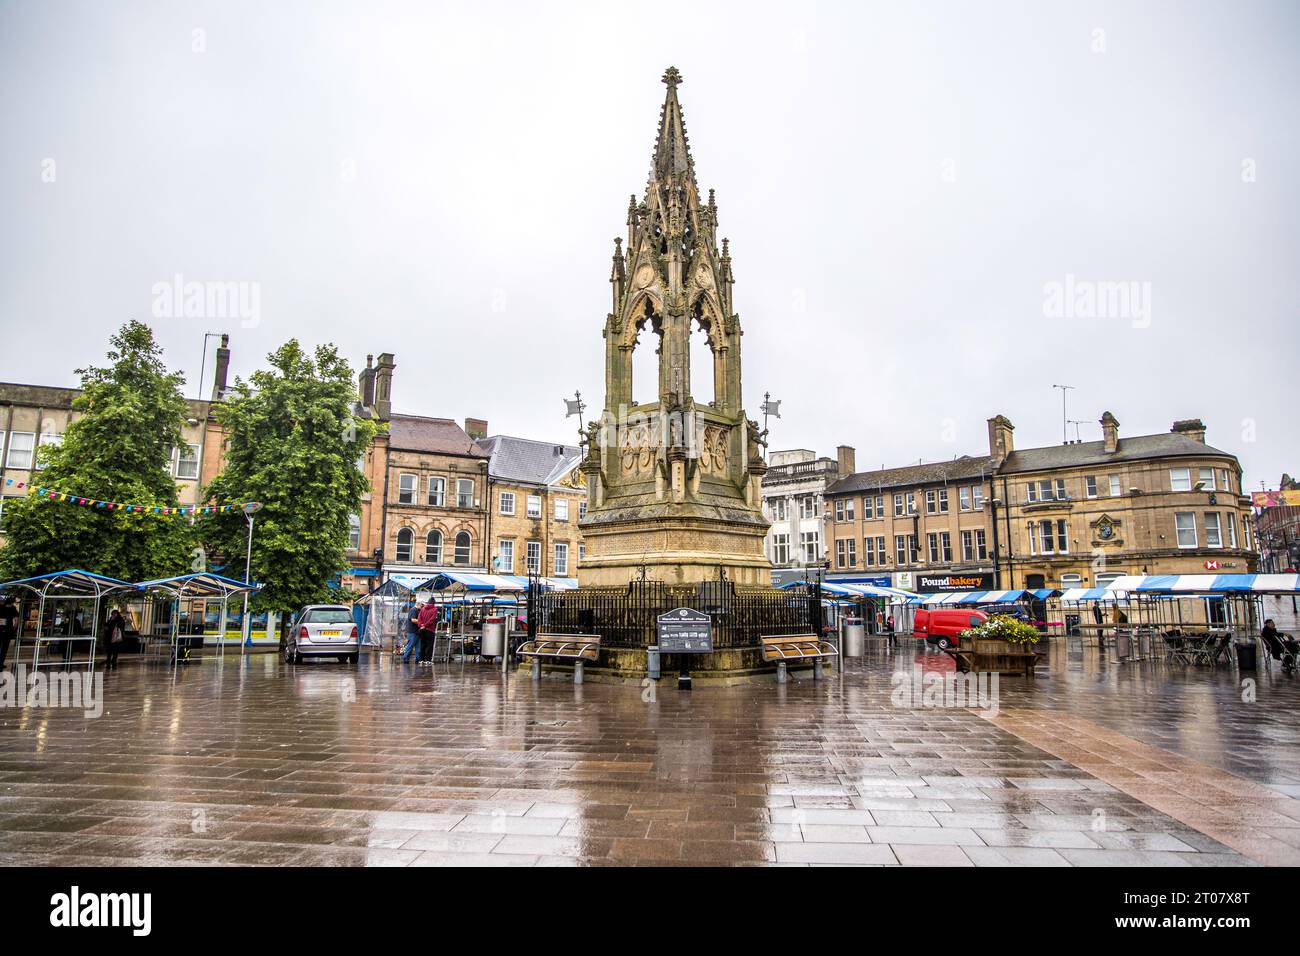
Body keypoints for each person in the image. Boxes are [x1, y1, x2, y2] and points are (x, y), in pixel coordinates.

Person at [416, 599, 440, 665]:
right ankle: (428, 660)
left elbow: (419, 618)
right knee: (429, 645)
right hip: (430, 630)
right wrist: (425, 625)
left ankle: (421, 660)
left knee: (422, 644)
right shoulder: (435, 609)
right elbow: (432, 619)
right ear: (434, 603)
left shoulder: (423, 608)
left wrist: (421, 625)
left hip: (422, 629)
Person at [0, 596, 18, 671]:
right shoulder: (13, 609)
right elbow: (16, 620)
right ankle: (1, 663)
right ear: (12, 602)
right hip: (8, 630)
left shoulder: (1, 607)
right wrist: (14, 628)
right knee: (4, 647)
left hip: (0, 629)